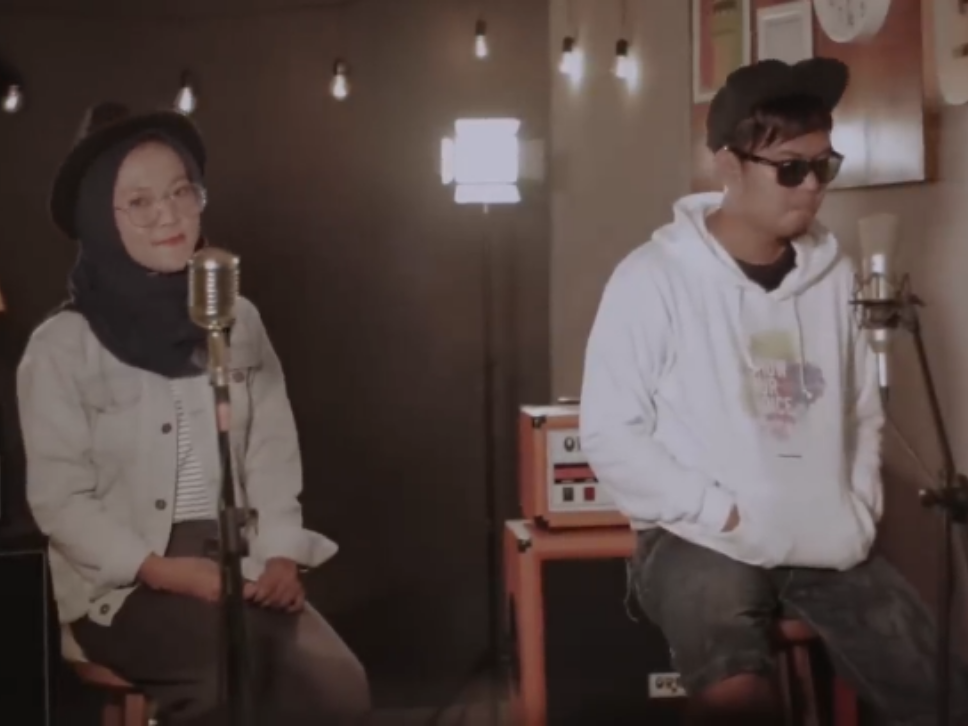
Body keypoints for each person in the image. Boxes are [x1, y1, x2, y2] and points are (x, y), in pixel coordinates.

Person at [580, 58, 968, 725]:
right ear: (729, 166)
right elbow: (611, 434)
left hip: (823, 535)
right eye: (791, 168)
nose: (812, 185)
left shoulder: (835, 276)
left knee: (938, 692)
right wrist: (722, 514)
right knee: (736, 694)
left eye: (824, 165)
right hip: (698, 537)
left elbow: (861, 411)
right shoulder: (652, 278)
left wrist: (857, 508)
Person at [18, 102, 371, 725]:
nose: (169, 215)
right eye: (140, 202)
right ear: (100, 218)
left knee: (337, 684)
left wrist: (281, 554)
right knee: (227, 676)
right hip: (124, 584)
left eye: (181, 191)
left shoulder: (238, 319)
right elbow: (60, 502)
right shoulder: (60, 348)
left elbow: (270, 452)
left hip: (239, 558)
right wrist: (165, 572)